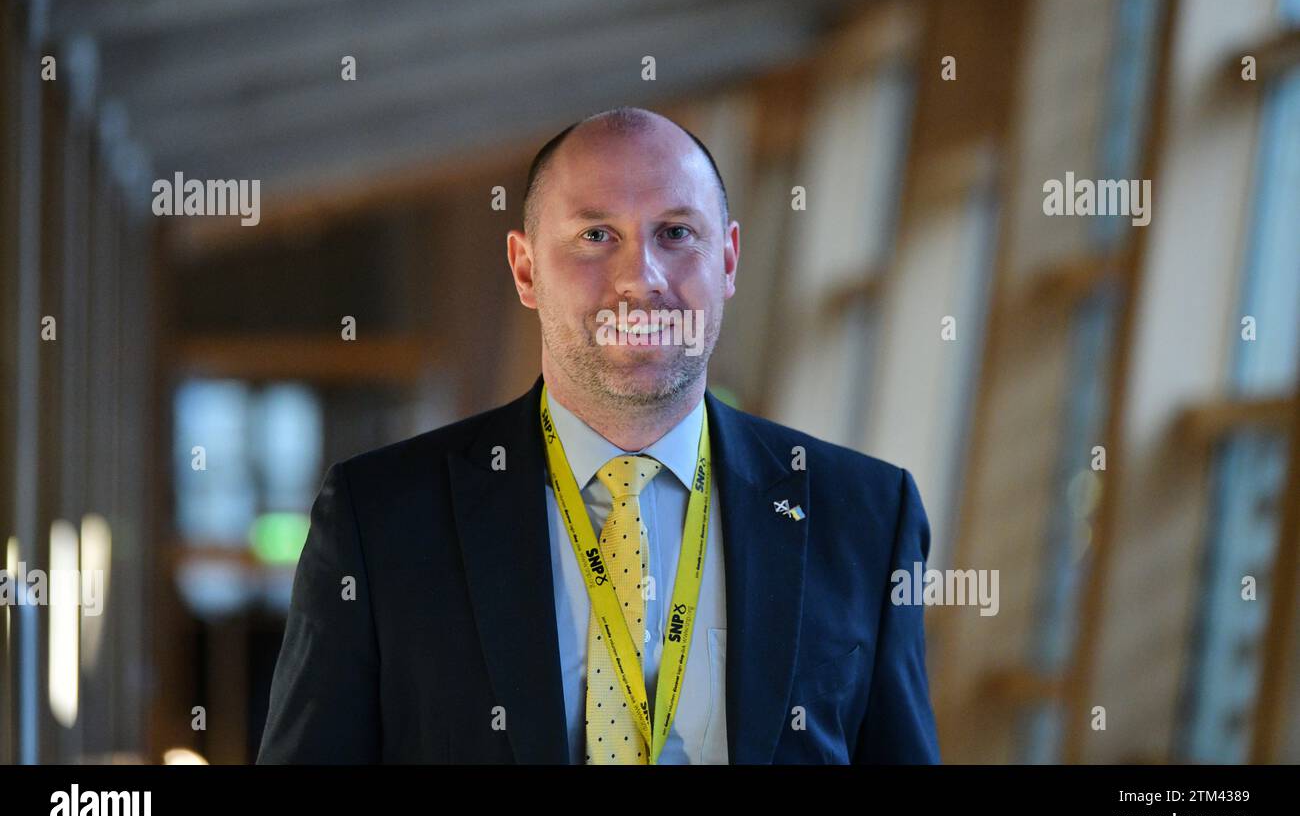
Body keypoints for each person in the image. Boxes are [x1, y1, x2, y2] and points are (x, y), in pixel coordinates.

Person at [257, 106, 940, 764]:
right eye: (596, 236)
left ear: (728, 260)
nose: (640, 280)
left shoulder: (866, 518)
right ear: (526, 270)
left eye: (676, 233)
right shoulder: (381, 519)